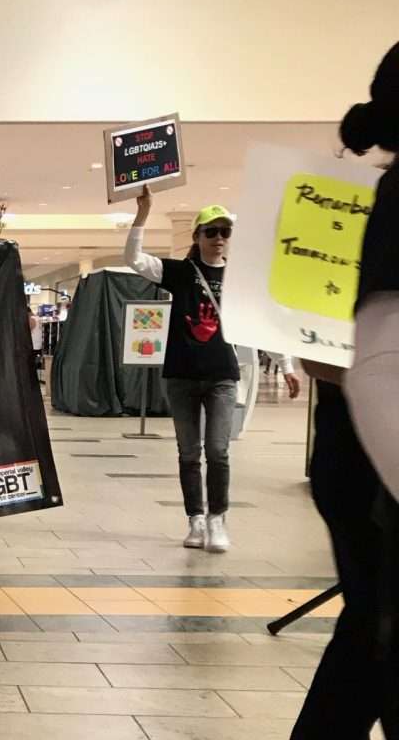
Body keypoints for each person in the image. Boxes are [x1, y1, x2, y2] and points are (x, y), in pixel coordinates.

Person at [291, 40, 399, 740]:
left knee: (366, 641)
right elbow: (384, 359)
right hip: (370, 470)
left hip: (361, 460)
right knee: (373, 634)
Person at [125, 191, 300, 552]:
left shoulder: (241, 279)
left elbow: (260, 324)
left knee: (218, 450)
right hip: (181, 375)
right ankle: (196, 519)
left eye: (225, 232)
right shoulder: (180, 272)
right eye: (211, 231)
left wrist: (285, 366)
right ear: (198, 236)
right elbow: (134, 260)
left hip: (222, 374)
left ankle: (218, 519)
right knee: (189, 452)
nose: (219, 238)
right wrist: (142, 215)